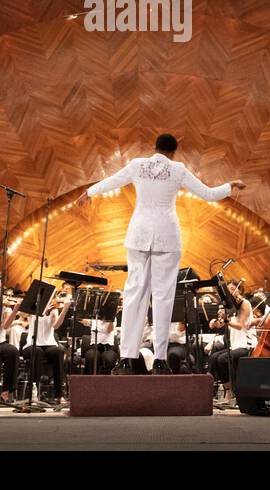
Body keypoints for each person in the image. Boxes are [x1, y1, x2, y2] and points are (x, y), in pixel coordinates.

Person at [77, 133, 245, 374]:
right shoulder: (178, 169)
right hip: (167, 236)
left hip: (139, 234)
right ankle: (160, 359)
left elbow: (111, 181)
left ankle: (126, 358)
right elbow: (208, 194)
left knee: (134, 295)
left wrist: (89, 193)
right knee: (164, 297)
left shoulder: (137, 165)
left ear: (153, 147)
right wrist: (231, 186)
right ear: (174, 152)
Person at [208, 280, 256, 405]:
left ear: (239, 290)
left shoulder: (244, 303)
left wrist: (226, 320)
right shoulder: (229, 306)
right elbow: (222, 323)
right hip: (235, 344)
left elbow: (240, 325)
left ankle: (236, 393)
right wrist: (215, 323)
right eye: (228, 289)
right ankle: (228, 391)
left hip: (246, 343)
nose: (230, 291)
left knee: (224, 359)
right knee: (214, 357)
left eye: (233, 288)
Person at [22, 288, 71, 402]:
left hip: (49, 343)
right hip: (32, 343)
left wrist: (64, 310)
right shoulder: (32, 307)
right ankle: (34, 392)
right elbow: (22, 313)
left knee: (59, 351)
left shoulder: (53, 309)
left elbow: (56, 326)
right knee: (37, 351)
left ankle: (59, 394)